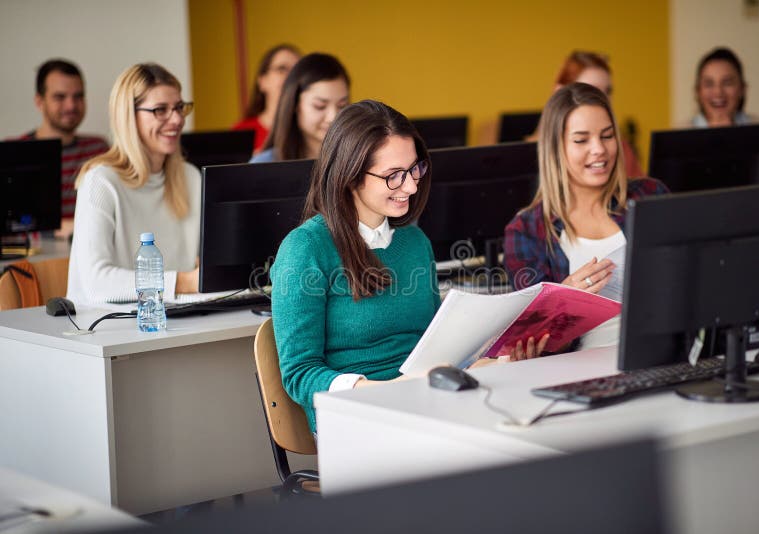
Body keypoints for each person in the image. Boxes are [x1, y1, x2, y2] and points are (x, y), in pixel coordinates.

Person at [270, 100, 547, 432]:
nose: (412, 186)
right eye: (394, 176)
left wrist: (491, 363)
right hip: (356, 420)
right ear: (349, 175)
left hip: (426, 404)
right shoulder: (305, 248)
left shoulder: (414, 243)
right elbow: (300, 375)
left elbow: (435, 351)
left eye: (415, 169)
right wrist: (389, 391)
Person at [505, 83, 669, 349]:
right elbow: (531, 343)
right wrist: (566, 300)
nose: (599, 150)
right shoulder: (527, 230)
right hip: (577, 375)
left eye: (607, 136)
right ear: (556, 148)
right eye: (582, 140)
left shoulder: (650, 195)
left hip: (661, 357)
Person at [67, 63, 201, 305]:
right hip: (103, 329)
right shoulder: (100, 181)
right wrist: (185, 282)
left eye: (179, 108)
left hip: (176, 319)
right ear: (129, 116)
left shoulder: (191, 177)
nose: (177, 119)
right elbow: (98, 282)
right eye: (160, 110)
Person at [17, 59, 109, 232]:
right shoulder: (15, 152)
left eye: (78, 96)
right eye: (60, 97)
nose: (71, 105)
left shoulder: (99, 149)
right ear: (39, 101)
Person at [529, 51, 644, 178]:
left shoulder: (621, 148)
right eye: (590, 91)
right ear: (560, 93)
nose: (604, 99)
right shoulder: (528, 157)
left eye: (608, 91)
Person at [250, 53, 350, 163]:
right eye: (320, 106)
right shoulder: (265, 164)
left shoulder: (358, 160)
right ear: (295, 106)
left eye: (342, 106)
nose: (333, 117)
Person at [232, 44, 301, 152]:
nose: (291, 76)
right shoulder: (241, 132)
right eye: (282, 69)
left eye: (297, 70)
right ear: (262, 81)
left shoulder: (311, 131)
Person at [691, 47, 758, 127]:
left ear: (742, 89)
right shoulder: (681, 135)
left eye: (727, 83)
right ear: (698, 91)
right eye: (709, 84)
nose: (718, 92)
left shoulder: (758, 129)